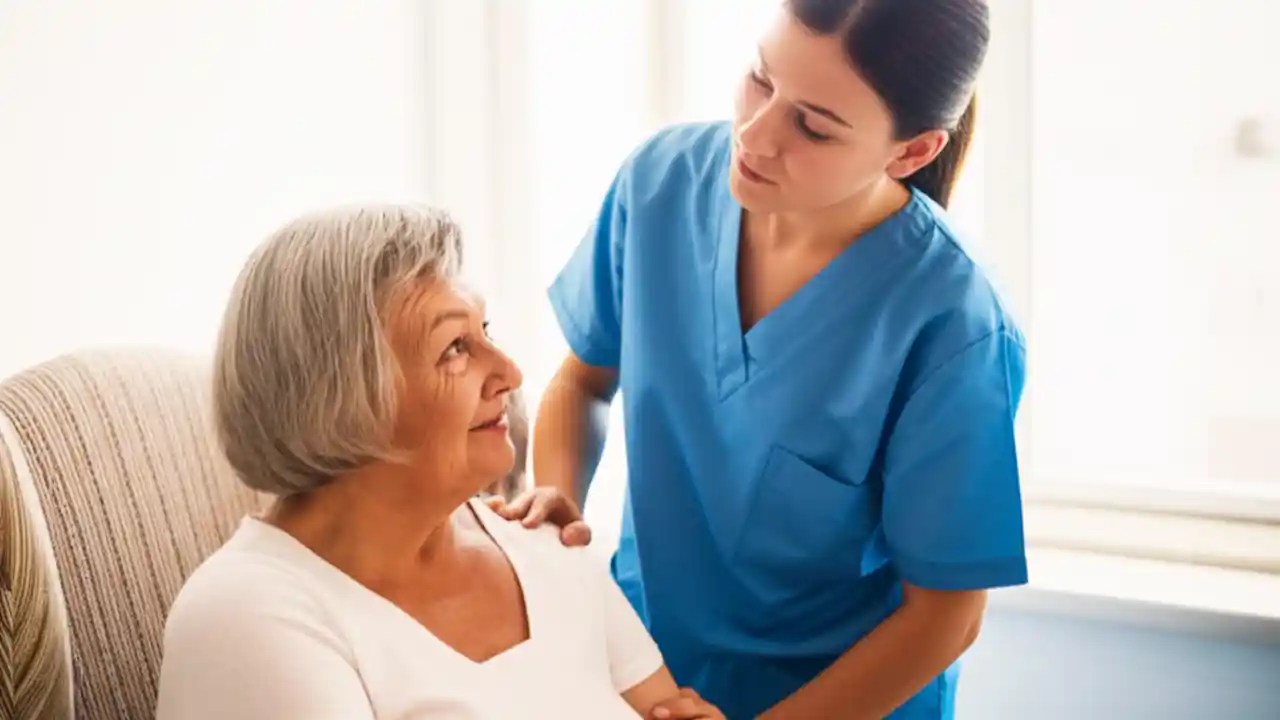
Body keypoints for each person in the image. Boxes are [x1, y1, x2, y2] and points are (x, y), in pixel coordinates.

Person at [494, 1, 1027, 717]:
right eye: (759, 78)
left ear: (911, 152)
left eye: (812, 124)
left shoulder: (954, 323)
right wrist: (560, 504)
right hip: (645, 674)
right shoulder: (660, 183)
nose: (755, 133)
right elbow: (584, 381)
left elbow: (945, 618)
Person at [155, 205, 723, 719]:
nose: (509, 373)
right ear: (342, 394)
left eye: (487, 332)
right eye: (455, 348)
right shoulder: (246, 618)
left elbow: (669, 710)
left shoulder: (546, 543)